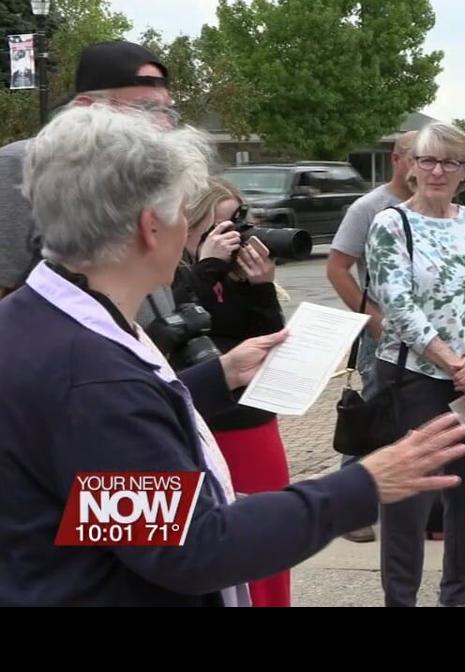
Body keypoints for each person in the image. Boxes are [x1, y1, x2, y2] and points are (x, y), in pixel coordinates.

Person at [0, 104, 465, 606]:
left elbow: (102, 488)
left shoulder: (38, 320)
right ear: (148, 227)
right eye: (182, 211)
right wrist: (365, 484)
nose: (188, 227)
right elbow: (191, 547)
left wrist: (216, 377)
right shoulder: (92, 379)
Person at [365, 122, 465, 607]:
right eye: (427, 160)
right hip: (416, 380)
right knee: (408, 503)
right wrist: (455, 365)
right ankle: (400, 600)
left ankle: (458, 596)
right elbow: (398, 307)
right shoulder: (391, 224)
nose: (436, 171)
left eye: (450, 162)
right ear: (410, 166)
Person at [174, 176, 291, 605]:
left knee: (271, 538)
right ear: (192, 225)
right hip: (209, 423)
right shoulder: (171, 272)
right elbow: (178, 331)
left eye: (242, 221)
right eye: (227, 224)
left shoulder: (237, 273)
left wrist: (261, 287)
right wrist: (207, 266)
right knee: (224, 542)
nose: (238, 235)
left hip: (254, 419)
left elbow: (270, 338)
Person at [1, 41, 179, 300]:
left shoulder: (148, 176)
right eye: (146, 108)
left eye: (167, 110)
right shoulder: (22, 163)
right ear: (87, 106)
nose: (163, 124)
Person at [326, 130, 419, 544]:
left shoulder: (441, 206)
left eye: (436, 159)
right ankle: (349, 507)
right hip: (382, 336)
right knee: (373, 415)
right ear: (397, 159)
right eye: (418, 158)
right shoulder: (370, 207)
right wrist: (372, 320)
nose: (426, 167)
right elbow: (338, 269)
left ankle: (414, 501)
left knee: (418, 416)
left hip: (428, 336)